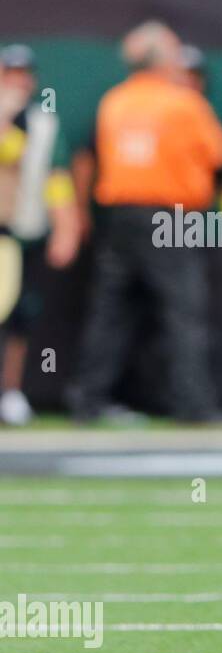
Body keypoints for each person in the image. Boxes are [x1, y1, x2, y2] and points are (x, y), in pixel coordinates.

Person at [66, 21, 222, 424]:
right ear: (160, 60)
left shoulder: (114, 101)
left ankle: (87, 401)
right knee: (184, 312)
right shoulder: (184, 104)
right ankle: (193, 405)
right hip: (171, 217)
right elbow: (221, 162)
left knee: (111, 311)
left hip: (121, 217)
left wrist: (81, 212)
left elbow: (86, 159)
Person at [0, 44, 79, 426]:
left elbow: (57, 178)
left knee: (19, 316)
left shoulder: (43, 123)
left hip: (23, 232)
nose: (16, 82)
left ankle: (10, 392)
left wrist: (66, 226)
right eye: (8, 74)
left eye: (22, 74)